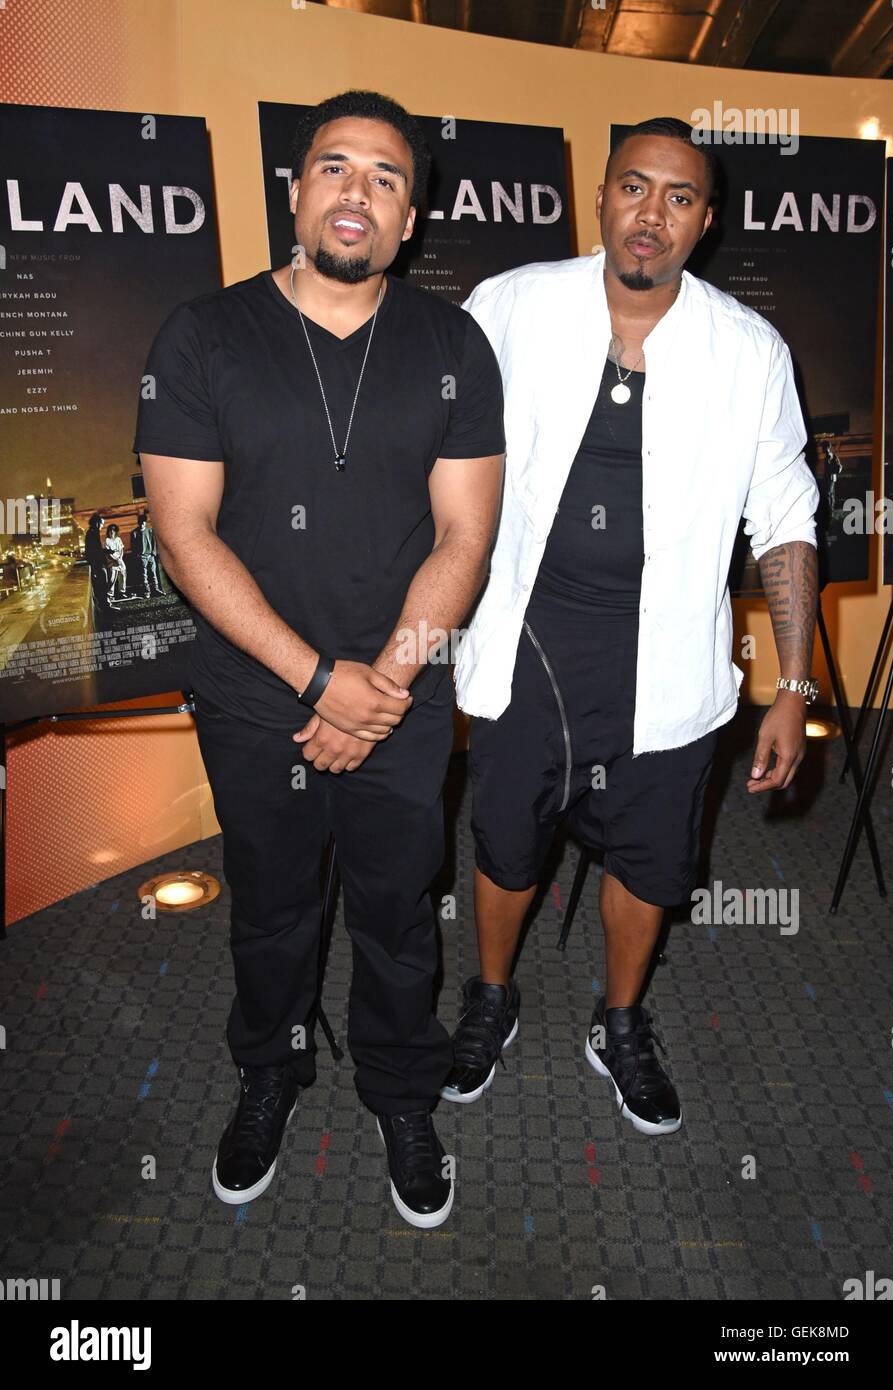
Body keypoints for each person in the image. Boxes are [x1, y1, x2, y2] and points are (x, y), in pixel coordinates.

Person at [133, 89, 504, 1227]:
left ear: (410, 218)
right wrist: (316, 682)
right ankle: (271, 1071)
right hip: (258, 701)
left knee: (400, 911)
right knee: (272, 909)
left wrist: (381, 688)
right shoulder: (202, 335)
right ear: (295, 191)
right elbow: (182, 535)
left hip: (401, 697)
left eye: (387, 178)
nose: (358, 192)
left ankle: (400, 1091)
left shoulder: (453, 344)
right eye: (336, 167)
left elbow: (465, 537)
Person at [447, 117, 820, 1137]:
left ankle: (618, 1019)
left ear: (704, 222)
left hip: (669, 668)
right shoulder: (510, 306)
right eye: (633, 187)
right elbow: (438, 455)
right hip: (525, 650)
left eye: (678, 197)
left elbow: (785, 518)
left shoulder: (747, 351)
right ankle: (490, 994)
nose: (650, 213)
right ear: (602, 195)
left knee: (647, 863)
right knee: (505, 845)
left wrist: (793, 688)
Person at [130, 512, 165, 597]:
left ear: (145, 522)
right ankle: (147, 591)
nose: (142, 523)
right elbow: (133, 545)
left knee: (153, 572)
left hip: (150, 555)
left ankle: (156, 589)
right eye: (140, 522)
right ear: (138, 522)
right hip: (142, 556)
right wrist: (137, 555)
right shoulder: (134, 533)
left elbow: (154, 542)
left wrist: (153, 553)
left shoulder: (150, 531)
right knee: (144, 574)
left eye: (143, 522)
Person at [103, 522, 127, 603]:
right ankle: (110, 594)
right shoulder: (107, 540)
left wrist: (120, 558)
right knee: (112, 578)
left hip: (120, 560)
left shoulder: (118, 539)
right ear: (108, 531)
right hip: (112, 562)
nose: (112, 532)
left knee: (122, 575)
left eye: (113, 530)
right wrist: (116, 559)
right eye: (110, 530)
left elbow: (121, 549)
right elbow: (108, 553)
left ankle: (122, 592)